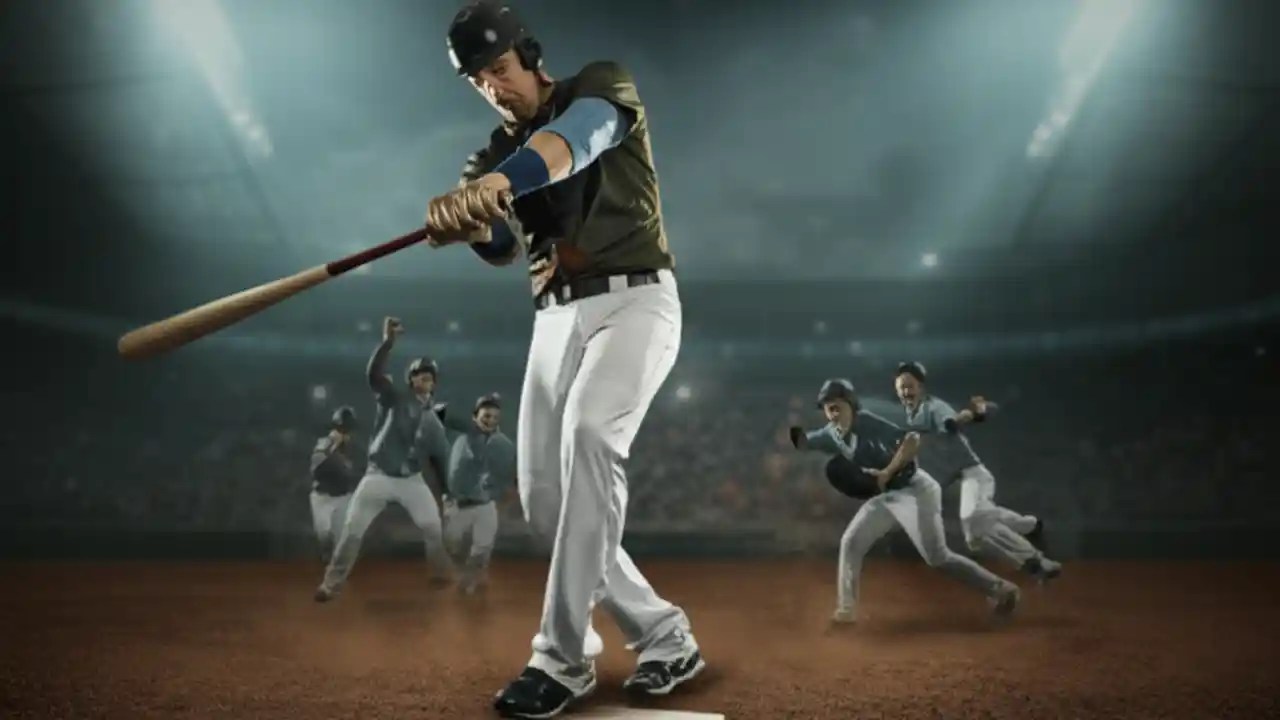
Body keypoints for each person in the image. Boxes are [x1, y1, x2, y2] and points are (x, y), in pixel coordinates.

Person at [421, 2, 704, 716]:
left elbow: (580, 139)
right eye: (478, 80)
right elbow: (501, 245)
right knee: (546, 500)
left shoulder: (599, 86)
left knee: (591, 435)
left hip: (636, 300)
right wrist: (466, 223)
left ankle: (562, 658)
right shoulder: (488, 156)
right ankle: (665, 635)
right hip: (554, 318)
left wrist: (500, 185)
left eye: (500, 68)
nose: (493, 86)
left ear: (530, 53)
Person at [790, 378, 1021, 624]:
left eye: (838, 406)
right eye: (828, 408)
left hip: (916, 490)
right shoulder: (831, 434)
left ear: (851, 404)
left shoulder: (866, 422)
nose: (833, 413)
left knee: (937, 557)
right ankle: (846, 612)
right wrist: (794, 433)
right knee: (851, 542)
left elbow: (911, 440)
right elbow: (805, 441)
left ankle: (1002, 589)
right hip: (886, 495)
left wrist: (887, 472)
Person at [314, 317, 455, 602]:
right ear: (411, 380)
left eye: (428, 376)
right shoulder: (395, 397)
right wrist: (387, 344)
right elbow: (373, 376)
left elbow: (440, 458)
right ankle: (331, 585)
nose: (423, 379)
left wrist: (447, 493)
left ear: (434, 383)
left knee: (432, 526)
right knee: (352, 532)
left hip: (411, 480)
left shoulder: (433, 420)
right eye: (418, 375)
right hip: (378, 476)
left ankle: (441, 574)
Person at [894, 361, 1061, 583]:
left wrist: (972, 413)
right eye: (902, 387)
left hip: (973, 474)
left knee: (973, 517)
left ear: (921, 387)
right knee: (975, 539)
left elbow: (952, 421)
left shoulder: (932, 406)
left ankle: (1036, 561)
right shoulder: (910, 417)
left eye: (910, 386)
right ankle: (1030, 527)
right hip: (959, 481)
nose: (906, 391)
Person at [436, 393, 516, 595]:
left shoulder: (503, 444)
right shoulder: (465, 434)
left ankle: (472, 579)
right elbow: (439, 413)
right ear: (475, 417)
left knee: (482, 546)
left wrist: (505, 492)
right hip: (457, 504)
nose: (491, 420)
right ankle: (465, 573)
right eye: (486, 416)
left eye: (495, 417)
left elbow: (509, 471)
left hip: (484, 505)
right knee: (452, 545)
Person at [308, 405, 361, 563]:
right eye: (342, 428)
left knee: (341, 541)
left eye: (347, 429)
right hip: (322, 497)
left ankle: (335, 570)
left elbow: (357, 471)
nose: (345, 432)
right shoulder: (324, 444)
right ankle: (327, 559)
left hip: (343, 497)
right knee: (324, 535)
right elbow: (315, 469)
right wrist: (332, 449)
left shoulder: (354, 448)